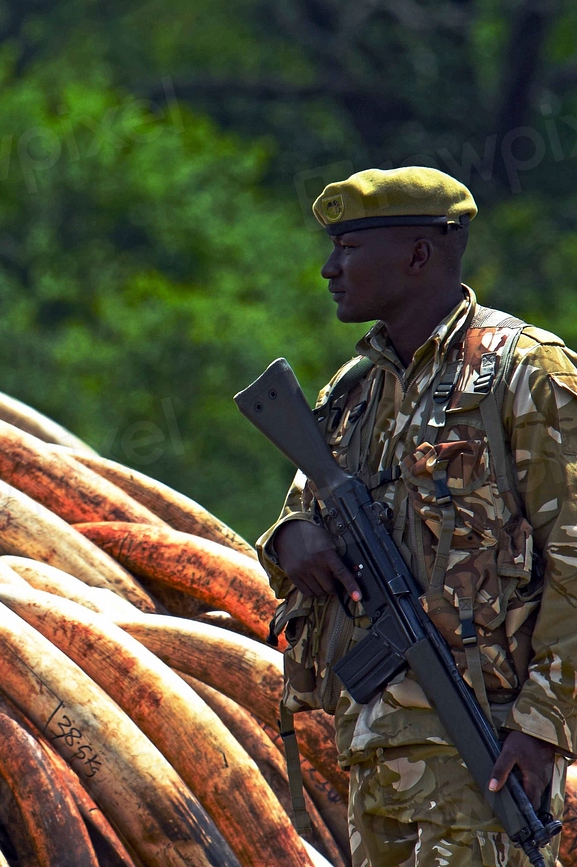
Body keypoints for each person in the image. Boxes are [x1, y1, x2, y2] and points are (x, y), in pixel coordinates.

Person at [257, 166, 577, 866]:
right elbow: (293, 516)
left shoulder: (526, 373)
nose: (328, 269)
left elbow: (575, 558)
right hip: (374, 748)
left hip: (485, 750)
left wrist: (542, 724)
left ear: (417, 255)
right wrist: (294, 539)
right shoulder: (354, 390)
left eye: (349, 248)